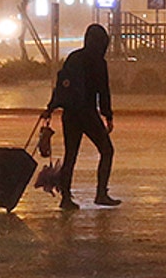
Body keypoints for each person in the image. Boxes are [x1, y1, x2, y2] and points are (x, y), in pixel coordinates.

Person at [44, 22, 118, 209]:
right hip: (87, 113)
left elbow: (62, 84)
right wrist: (108, 115)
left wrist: (51, 107)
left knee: (71, 155)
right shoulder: (98, 62)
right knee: (107, 151)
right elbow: (103, 91)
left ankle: (66, 197)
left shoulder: (74, 57)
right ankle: (101, 193)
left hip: (70, 114)